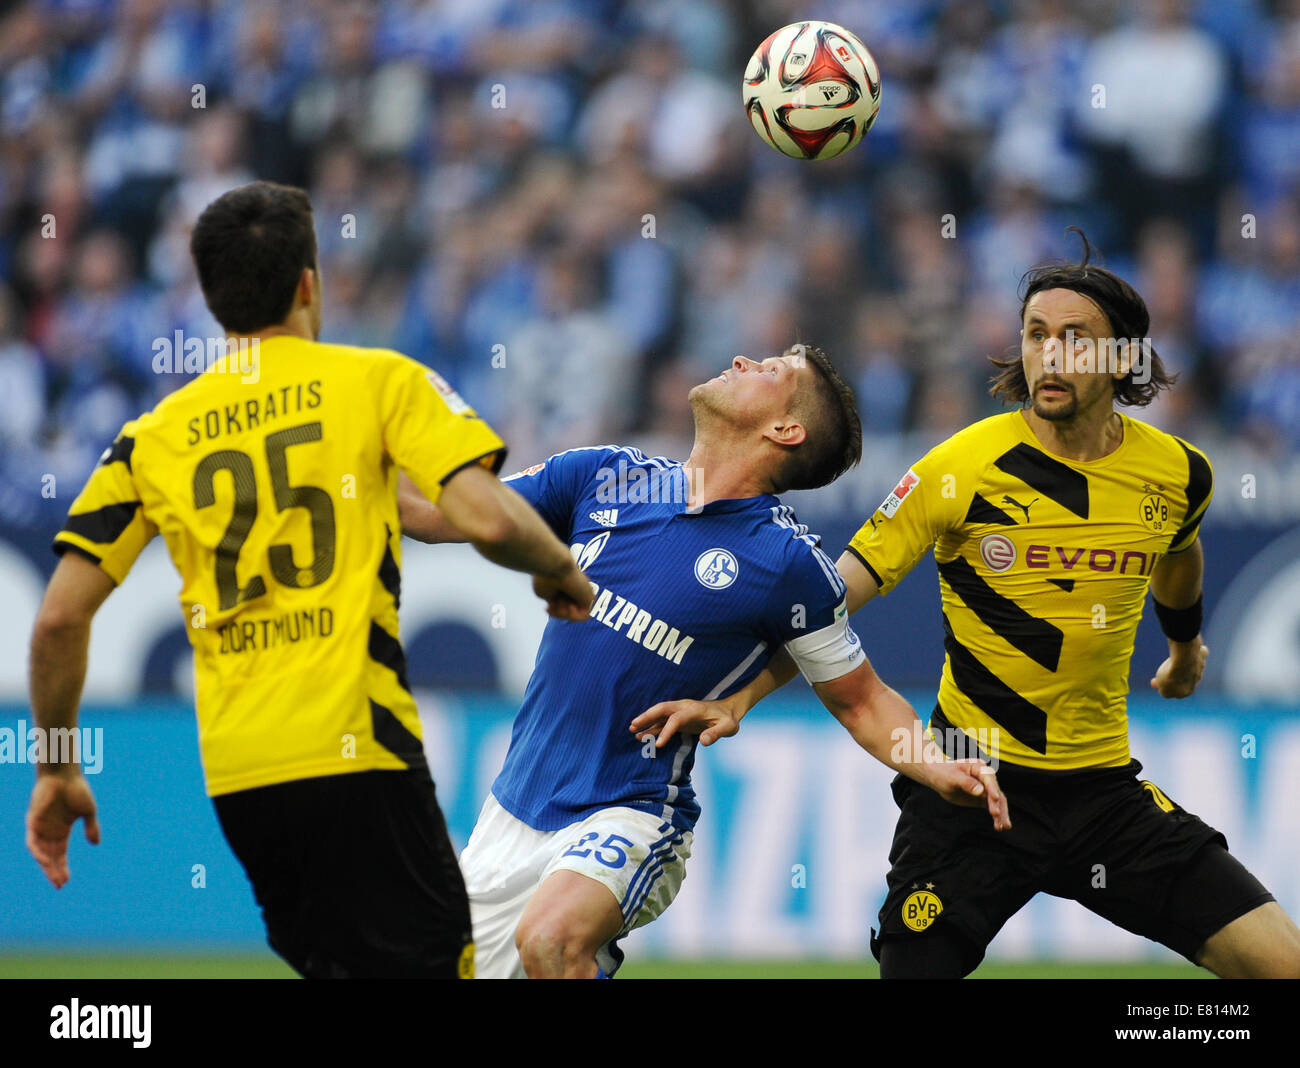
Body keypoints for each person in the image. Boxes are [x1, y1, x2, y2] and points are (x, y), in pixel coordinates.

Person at [634, 234, 1300, 978]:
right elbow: (828, 601)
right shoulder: (961, 468)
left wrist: (1183, 649)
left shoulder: (1178, 473)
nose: (1049, 354)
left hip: (1105, 797)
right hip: (966, 790)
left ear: (1123, 359)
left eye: (1075, 339)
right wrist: (743, 697)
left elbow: (1179, 550)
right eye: (1036, 336)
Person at [25, 180, 593, 979]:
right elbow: (490, 517)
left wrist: (55, 764)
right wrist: (561, 568)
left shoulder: (150, 439)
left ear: (214, 300)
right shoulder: (377, 382)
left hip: (242, 778)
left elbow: (56, 620)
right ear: (307, 284)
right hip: (356, 749)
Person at [398, 342, 1010, 979]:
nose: (745, 360)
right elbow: (436, 515)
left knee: (552, 940)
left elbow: (861, 699)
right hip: (508, 818)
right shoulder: (602, 475)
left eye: (771, 370)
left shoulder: (787, 563)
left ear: (785, 429)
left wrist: (936, 767)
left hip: (631, 813)